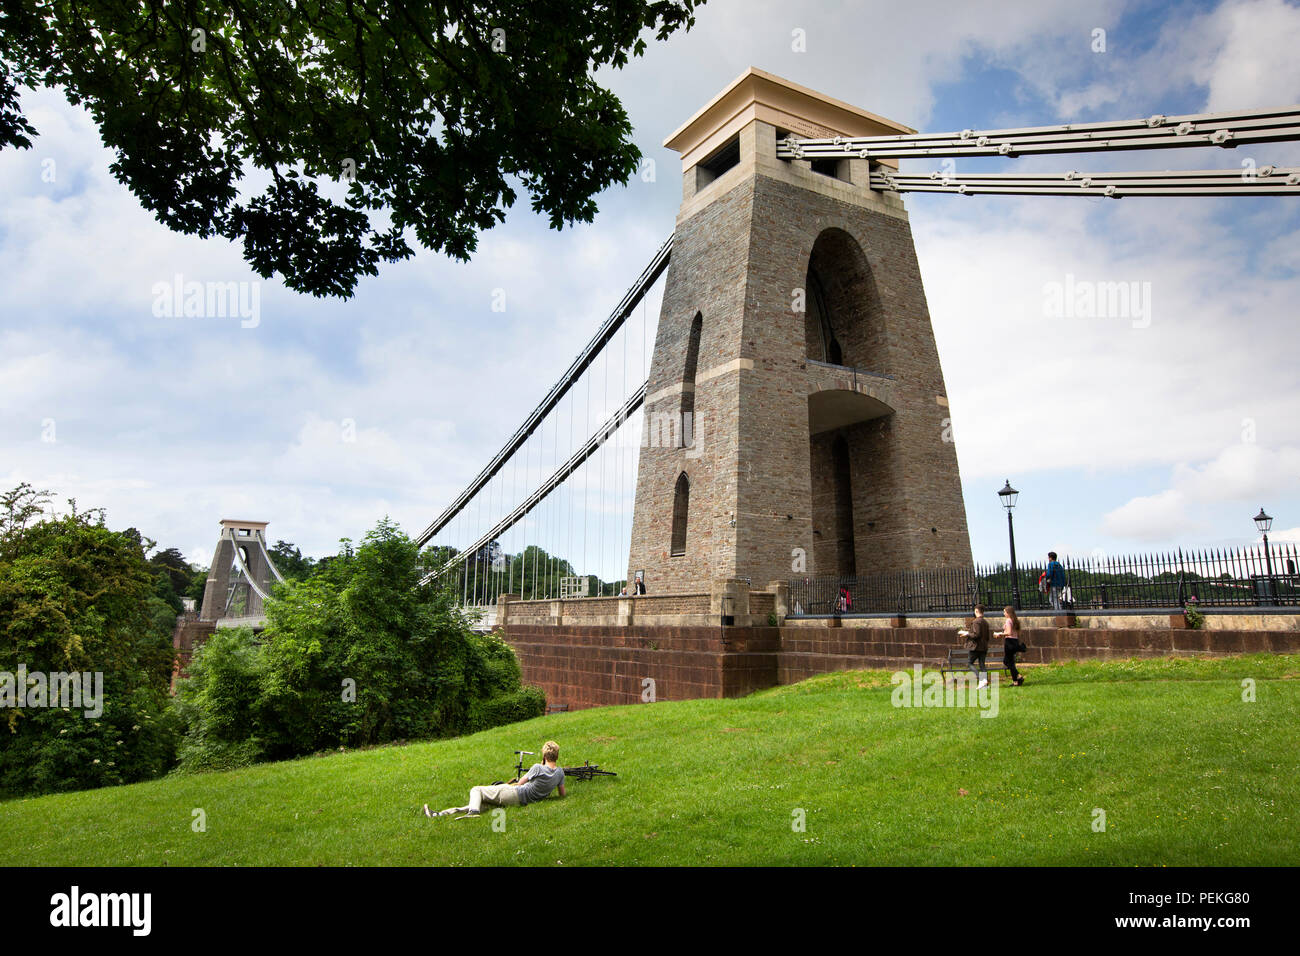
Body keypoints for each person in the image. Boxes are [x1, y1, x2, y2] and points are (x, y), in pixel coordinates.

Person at [424, 740, 566, 820]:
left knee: (476, 790)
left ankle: (473, 813)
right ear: (557, 756)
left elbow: (520, 782)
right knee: (480, 803)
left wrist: (505, 785)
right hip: (520, 802)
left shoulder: (537, 767)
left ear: (544, 756)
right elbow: (562, 795)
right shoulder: (559, 773)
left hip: (513, 793)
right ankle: (439, 814)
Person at [958, 604, 992, 689]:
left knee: (970, 663)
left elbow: (976, 635)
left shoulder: (976, 621)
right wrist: (968, 634)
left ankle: (982, 680)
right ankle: (984, 685)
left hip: (976, 647)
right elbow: (987, 636)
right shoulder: (985, 622)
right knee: (982, 665)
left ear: (976, 611)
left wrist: (966, 633)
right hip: (984, 647)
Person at [999, 605, 1026, 686]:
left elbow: (1009, 633)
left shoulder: (1008, 620)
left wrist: (1000, 634)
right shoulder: (1014, 620)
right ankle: (1016, 681)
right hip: (1014, 641)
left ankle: (1018, 676)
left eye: (1004, 612)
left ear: (1008, 613)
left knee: (1007, 661)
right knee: (1010, 662)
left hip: (1009, 642)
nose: (1003, 613)